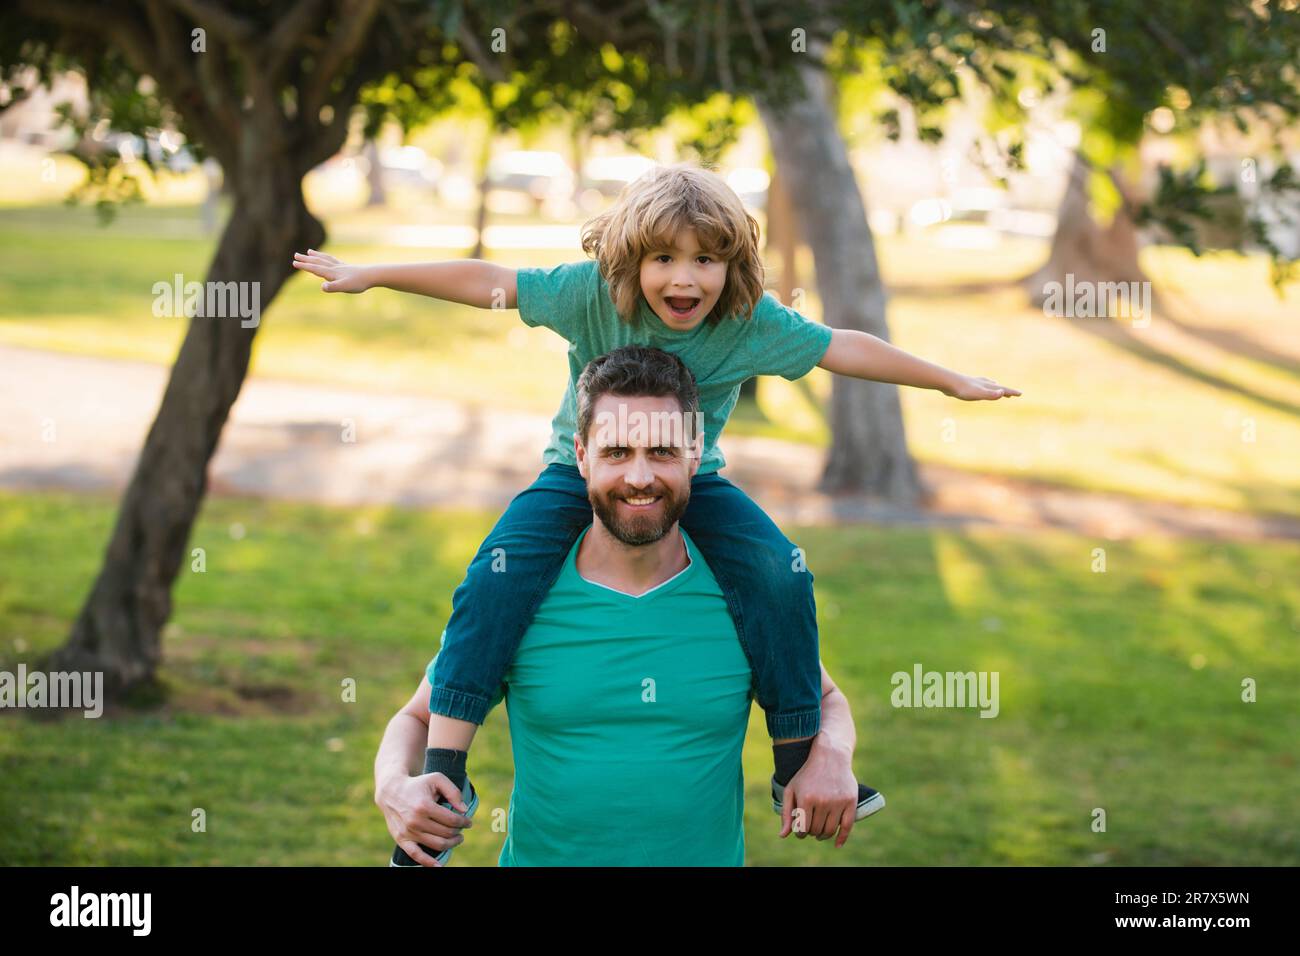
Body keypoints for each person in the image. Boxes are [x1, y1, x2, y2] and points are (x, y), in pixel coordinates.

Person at [295, 162, 1020, 838]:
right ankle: (445, 772)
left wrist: (948, 381)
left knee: (778, 570)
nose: (684, 277)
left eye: (705, 259)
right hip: (575, 474)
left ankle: (796, 762)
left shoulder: (751, 324)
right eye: (664, 258)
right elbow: (491, 282)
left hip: (692, 479)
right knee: (496, 575)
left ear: (731, 268)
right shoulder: (589, 295)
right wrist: (375, 274)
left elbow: (843, 347)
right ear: (631, 262)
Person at [375, 346, 877, 865]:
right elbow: (417, 717)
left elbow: (827, 700)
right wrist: (392, 783)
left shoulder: (745, 596)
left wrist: (833, 755)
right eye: (616, 452)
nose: (639, 478)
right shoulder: (518, 594)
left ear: (695, 451)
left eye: (661, 451)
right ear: (581, 456)